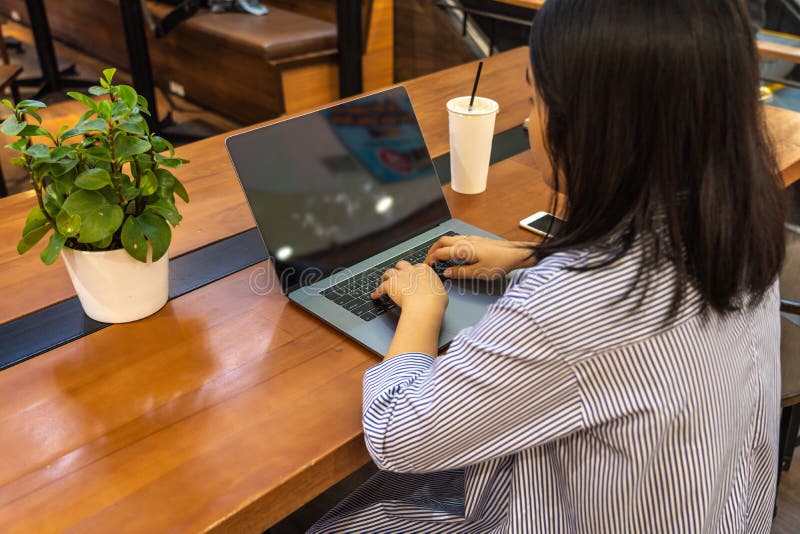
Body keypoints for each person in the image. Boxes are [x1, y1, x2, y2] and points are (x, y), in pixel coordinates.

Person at [309, 0, 786, 531]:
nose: (526, 123)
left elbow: (397, 438)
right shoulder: (740, 224)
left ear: (599, 127)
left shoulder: (577, 299)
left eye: (536, 101)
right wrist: (528, 256)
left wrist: (422, 306)